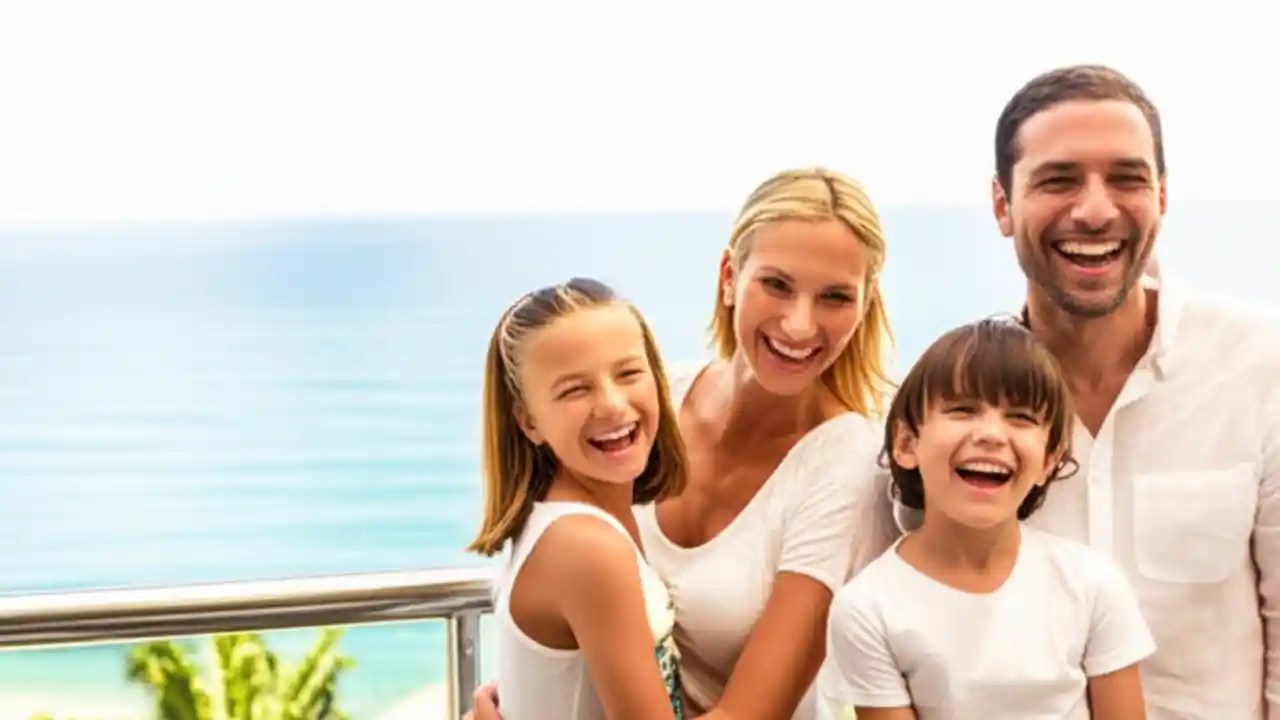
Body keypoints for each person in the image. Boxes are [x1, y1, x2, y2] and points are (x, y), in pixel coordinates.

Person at [894, 63, 1280, 717]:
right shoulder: (943, 412)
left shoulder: (1259, 366)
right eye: (1058, 180)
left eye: (1126, 178)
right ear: (1001, 206)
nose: (1095, 210)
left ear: (1162, 195)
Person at [472, 167, 902, 719]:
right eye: (776, 284)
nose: (799, 324)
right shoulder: (647, 404)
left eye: (835, 296)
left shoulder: (847, 468)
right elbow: (572, 612)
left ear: (865, 304)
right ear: (729, 276)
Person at [818, 317, 1155, 719]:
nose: (992, 435)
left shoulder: (1092, 585)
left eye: (1021, 418)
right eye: (962, 410)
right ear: (907, 444)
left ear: (1051, 459)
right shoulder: (867, 608)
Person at [467, 277, 691, 719]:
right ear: (529, 422)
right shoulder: (588, 547)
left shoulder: (580, 522)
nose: (611, 404)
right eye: (574, 389)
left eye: (628, 373)